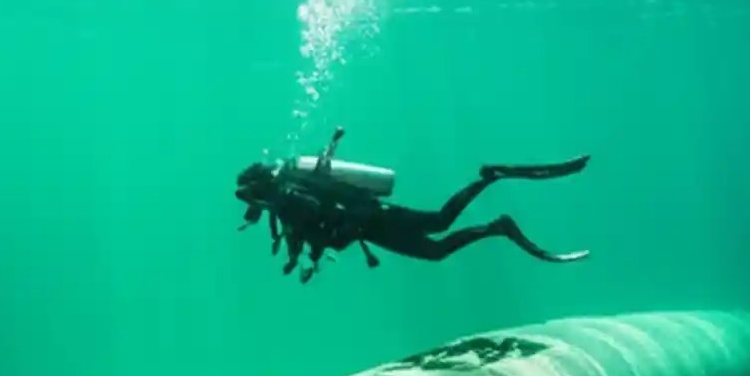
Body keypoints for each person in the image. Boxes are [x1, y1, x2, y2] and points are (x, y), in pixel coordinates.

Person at [235, 127, 590, 283]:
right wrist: (303, 255)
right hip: (372, 226)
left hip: (373, 221)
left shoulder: (287, 199)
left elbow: (316, 225)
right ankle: (497, 224)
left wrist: (306, 254)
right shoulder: (284, 198)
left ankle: (491, 180)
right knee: (437, 240)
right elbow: (311, 230)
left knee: (439, 223)